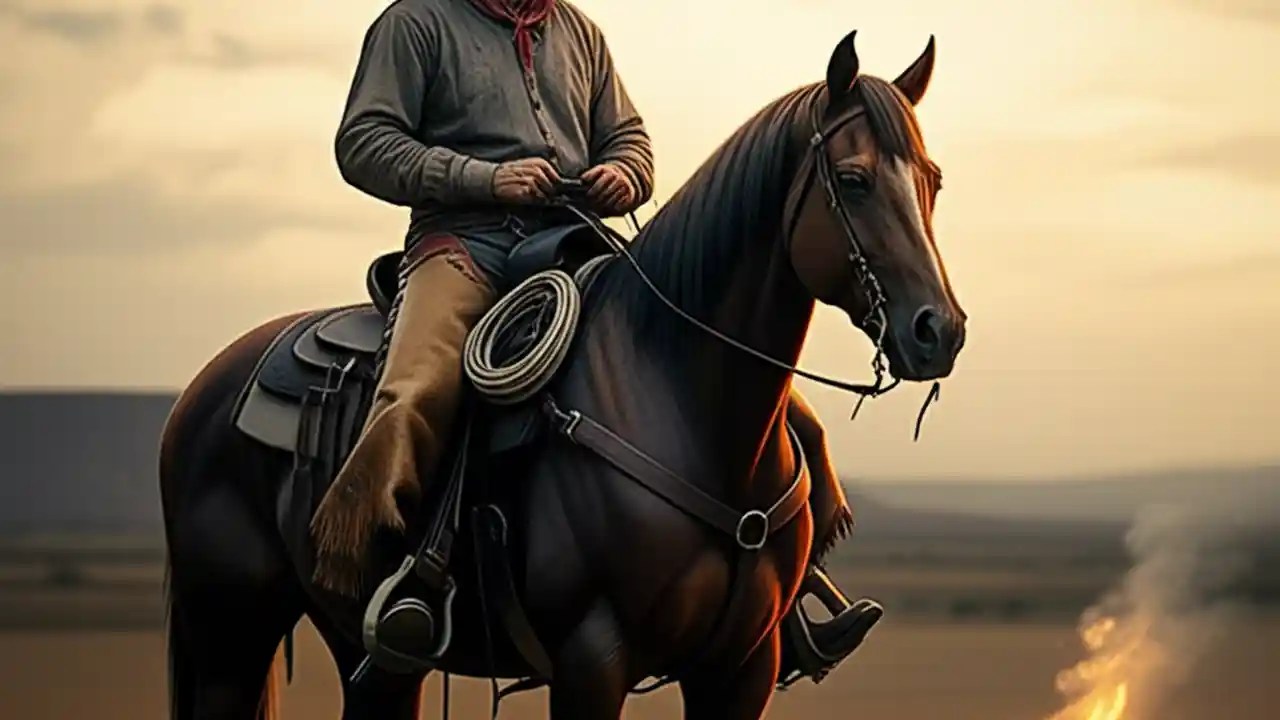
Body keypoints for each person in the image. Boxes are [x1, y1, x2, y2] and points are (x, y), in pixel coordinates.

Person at [311, 0, 879, 684]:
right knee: (419, 388)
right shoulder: (416, 24)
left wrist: (624, 174)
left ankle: (781, 594)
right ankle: (402, 577)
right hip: (465, 247)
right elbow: (364, 143)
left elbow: (630, 140)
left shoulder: (579, 33)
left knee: (765, 401)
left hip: (576, 245)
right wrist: (483, 177)